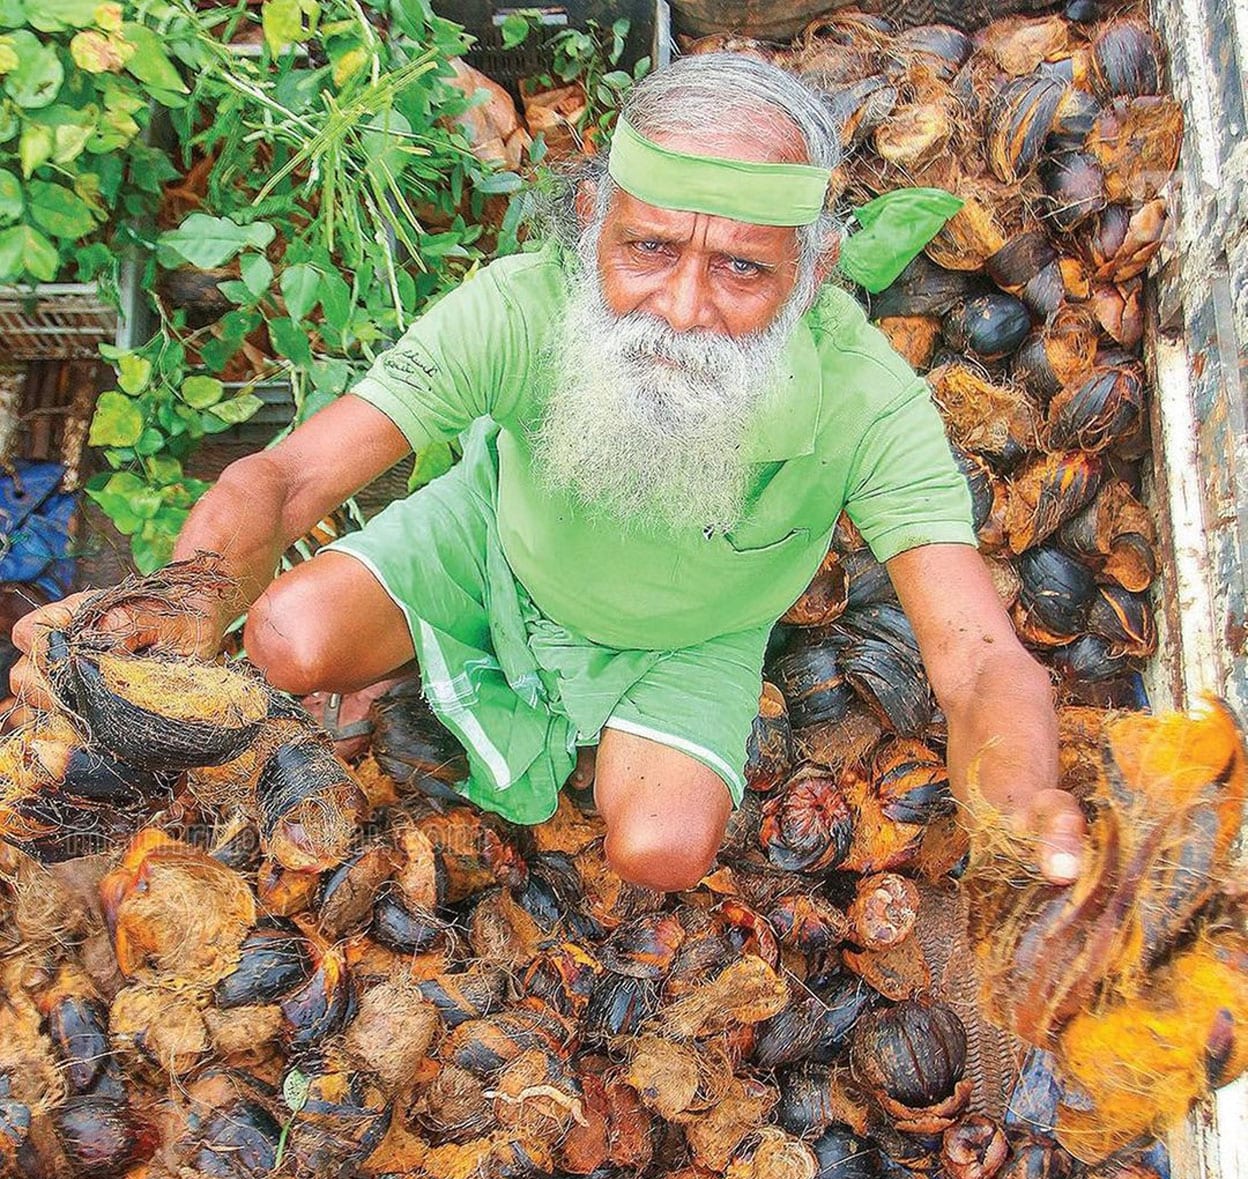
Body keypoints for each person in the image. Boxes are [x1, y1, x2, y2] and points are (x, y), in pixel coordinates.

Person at [9, 55, 1085, 892]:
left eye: (742, 269)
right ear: (591, 222)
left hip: (695, 633)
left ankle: (493, 698)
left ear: (814, 271)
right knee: (285, 639)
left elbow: (976, 655)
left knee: (661, 852)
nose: (682, 308)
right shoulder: (519, 310)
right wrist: (185, 596)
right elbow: (290, 479)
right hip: (496, 543)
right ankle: (429, 659)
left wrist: (1019, 796)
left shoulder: (868, 397)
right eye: (649, 249)